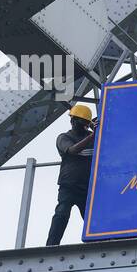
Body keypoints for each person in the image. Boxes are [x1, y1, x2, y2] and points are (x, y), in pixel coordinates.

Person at [46, 102, 96, 246]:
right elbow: (72, 150)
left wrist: (100, 129)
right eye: (79, 121)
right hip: (68, 186)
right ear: (72, 121)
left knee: (90, 219)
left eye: (85, 122)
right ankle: (52, 245)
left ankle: (97, 243)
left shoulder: (93, 136)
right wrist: (93, 136)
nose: (80, 124)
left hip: (87, 186)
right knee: (61, 214)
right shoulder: (64, 137)